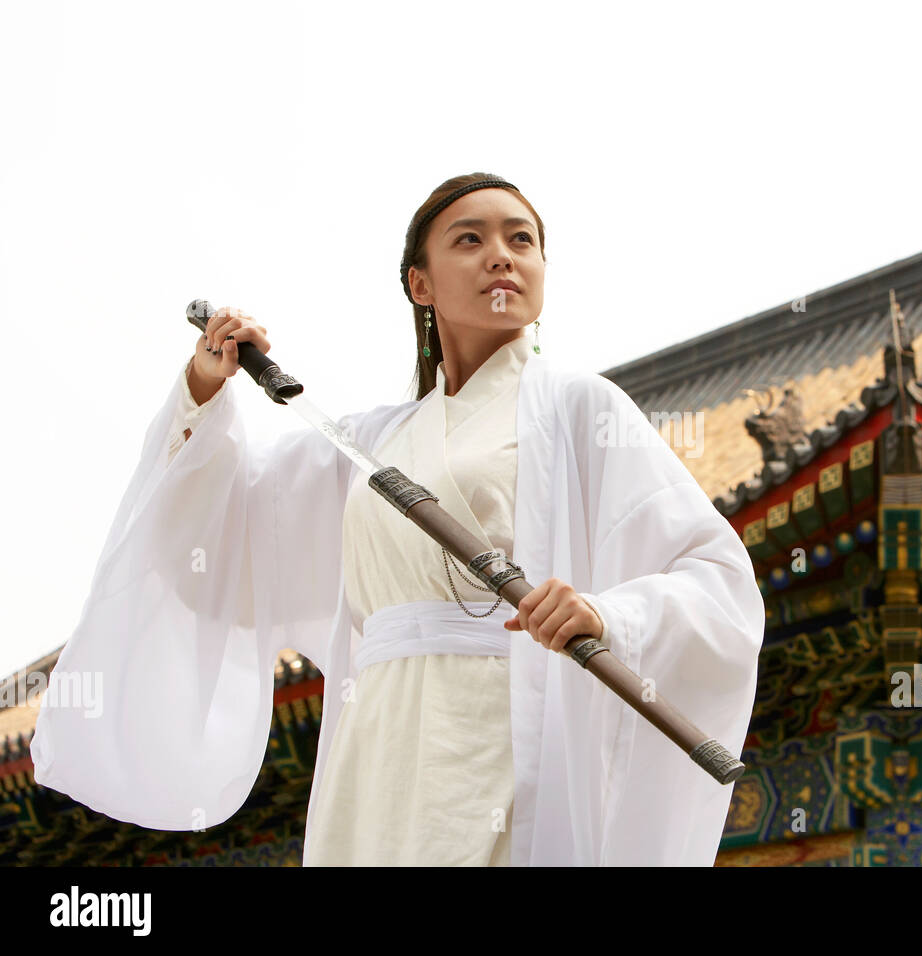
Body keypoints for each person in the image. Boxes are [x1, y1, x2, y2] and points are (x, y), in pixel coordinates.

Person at [31, 172, 766, 866]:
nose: (501, 257)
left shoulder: (582, 408)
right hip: (376, 739)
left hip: (501, 726)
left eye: (521, 240)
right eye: (470, 240)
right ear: (421, 283)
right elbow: (213, 542)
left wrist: (608, 614)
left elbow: (718, 580)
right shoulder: (370, 446)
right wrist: (205, 383)